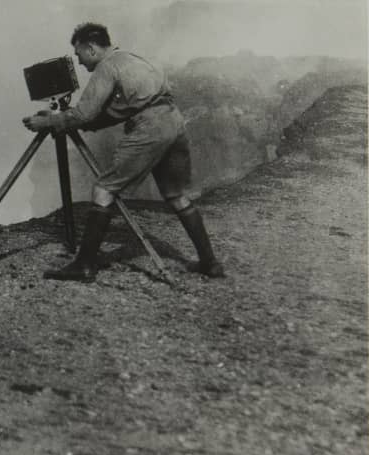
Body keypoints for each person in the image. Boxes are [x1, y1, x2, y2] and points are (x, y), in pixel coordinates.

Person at [22, 22, 224, 282]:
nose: (80, 62)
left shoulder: (107, 67)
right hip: (173, 121)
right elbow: (117, 111)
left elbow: (84, 114)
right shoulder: (133, 58)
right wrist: (66, 119)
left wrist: (49, 121)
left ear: (91, 48)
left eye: (79, 54)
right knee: (176, 194)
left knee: (104, 188)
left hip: (150, 128)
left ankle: (83, 265)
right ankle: (210, 262)